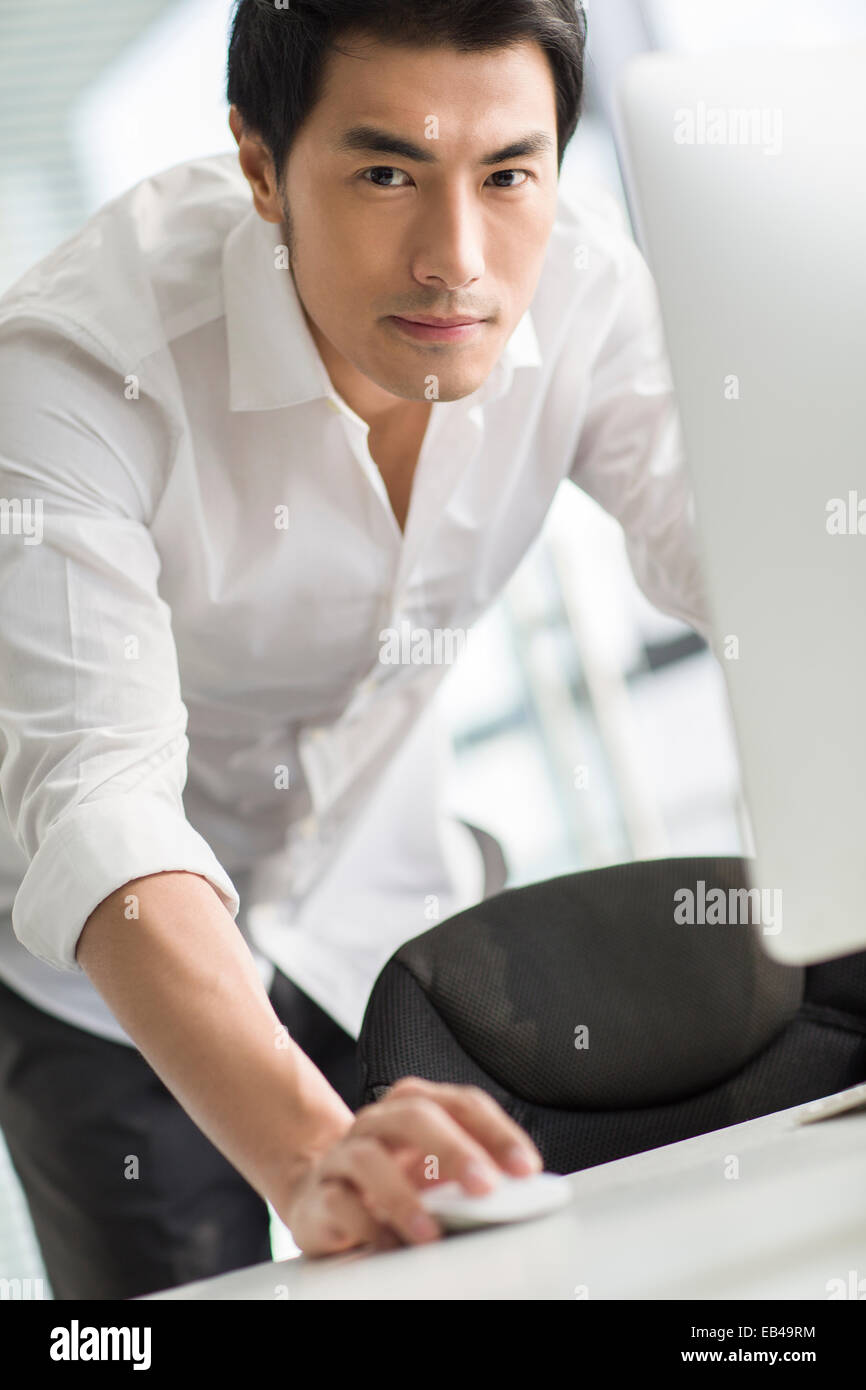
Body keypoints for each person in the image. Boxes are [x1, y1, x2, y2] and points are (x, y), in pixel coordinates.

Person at [0, 0, 709, 1299]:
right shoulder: (71, 372)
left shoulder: (585, 288)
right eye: (388, 174)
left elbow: (733, 547)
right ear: (261, 166)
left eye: (508, 174)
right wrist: (315, 1155)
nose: (458, 262)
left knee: (490, 1272)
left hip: (387, 898)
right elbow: (96, 802)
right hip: (118, 984)